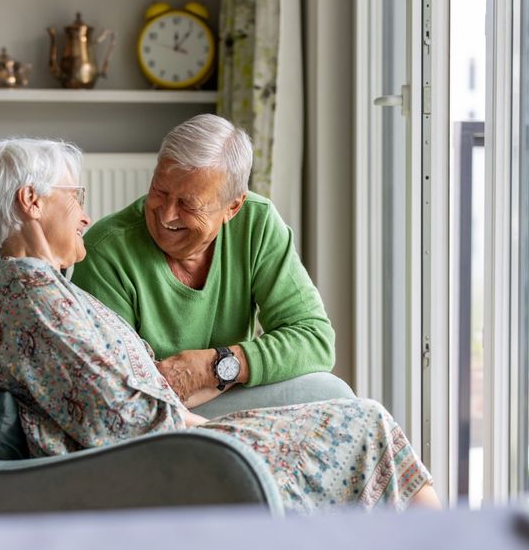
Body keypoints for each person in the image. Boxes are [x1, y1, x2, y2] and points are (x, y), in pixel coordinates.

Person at [0, 137, 440, 512]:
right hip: (168, 456)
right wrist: (209, 424)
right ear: (32, 201)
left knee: (358, 419)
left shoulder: (44, 289)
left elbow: (119, 392)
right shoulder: (33, 298)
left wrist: (211, 375)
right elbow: (118, 418)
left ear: (231, 207)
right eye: (75, 196)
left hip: (178, 434)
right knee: (366, 424)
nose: (86, 214)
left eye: (188, 203)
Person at [72, 114, 334, 407]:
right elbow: (117, 393)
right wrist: (225, 376)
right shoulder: (105, 251)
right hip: (156, 417)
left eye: (188, 204)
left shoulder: (256, 224)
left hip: (228, 397)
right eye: (160, 191)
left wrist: (213, 367)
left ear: (232, 207)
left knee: (331, 391)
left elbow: (315, 339)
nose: (166, 214)